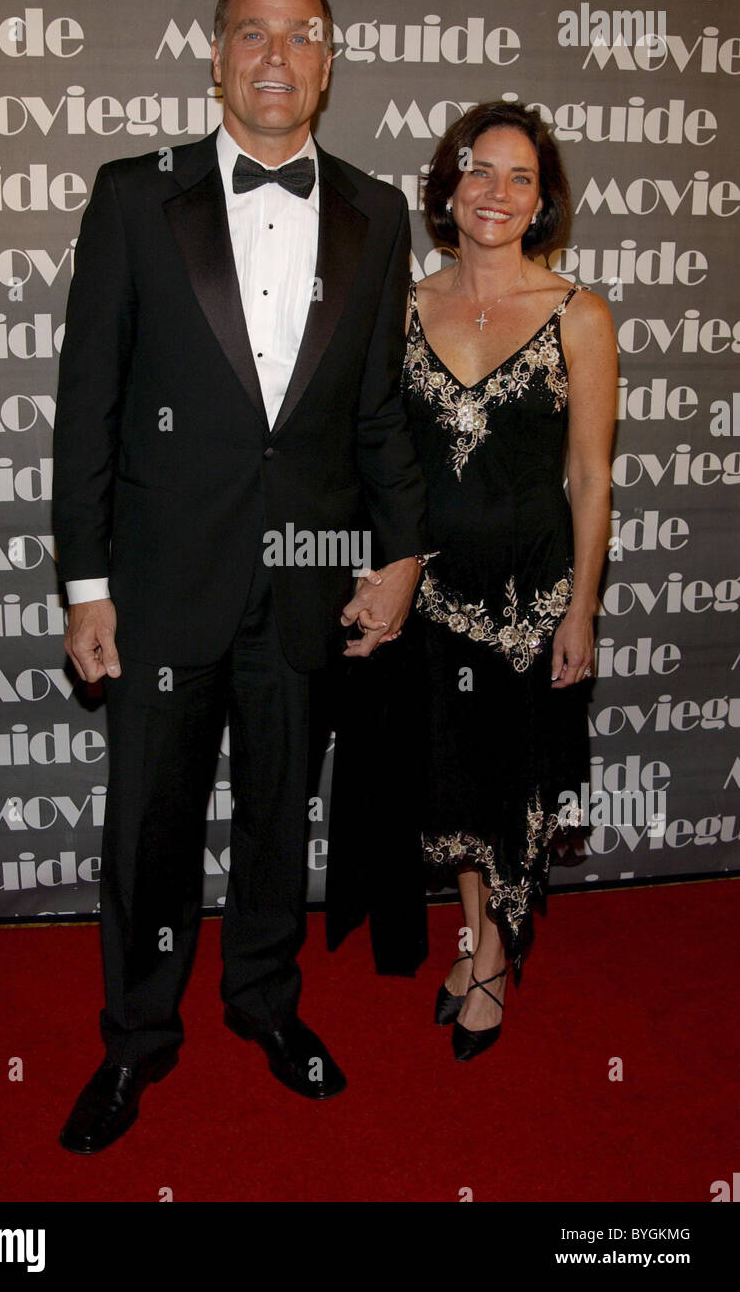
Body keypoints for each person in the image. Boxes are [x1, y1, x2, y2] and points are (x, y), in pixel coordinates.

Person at [52, 0, 428, 1154]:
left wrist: (400, 553)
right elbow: (88, 408)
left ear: (329, 62)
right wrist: (87, 583)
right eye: (251, 35)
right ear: (214, 58)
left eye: (302, 35)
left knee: (279, 813)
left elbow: (379, 412)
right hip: (163, 585)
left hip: (310, 580)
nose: (276, 55)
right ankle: (136, 1040)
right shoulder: (131, 196)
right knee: (148, 826)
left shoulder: (377, 210)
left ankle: (266, 1002)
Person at [334, 101, 617, 1059]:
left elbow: (589, 475)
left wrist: (582, 606)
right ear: (447, 187)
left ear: (543, 202)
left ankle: (495, 955)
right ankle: (476, 936)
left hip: (532, 602)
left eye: (520, 177)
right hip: (435, 601)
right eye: (479, 171)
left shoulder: (580, 316)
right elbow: (379, 458)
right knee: (454, 791)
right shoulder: (404, 308)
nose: (497, 193)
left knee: (514, 787)